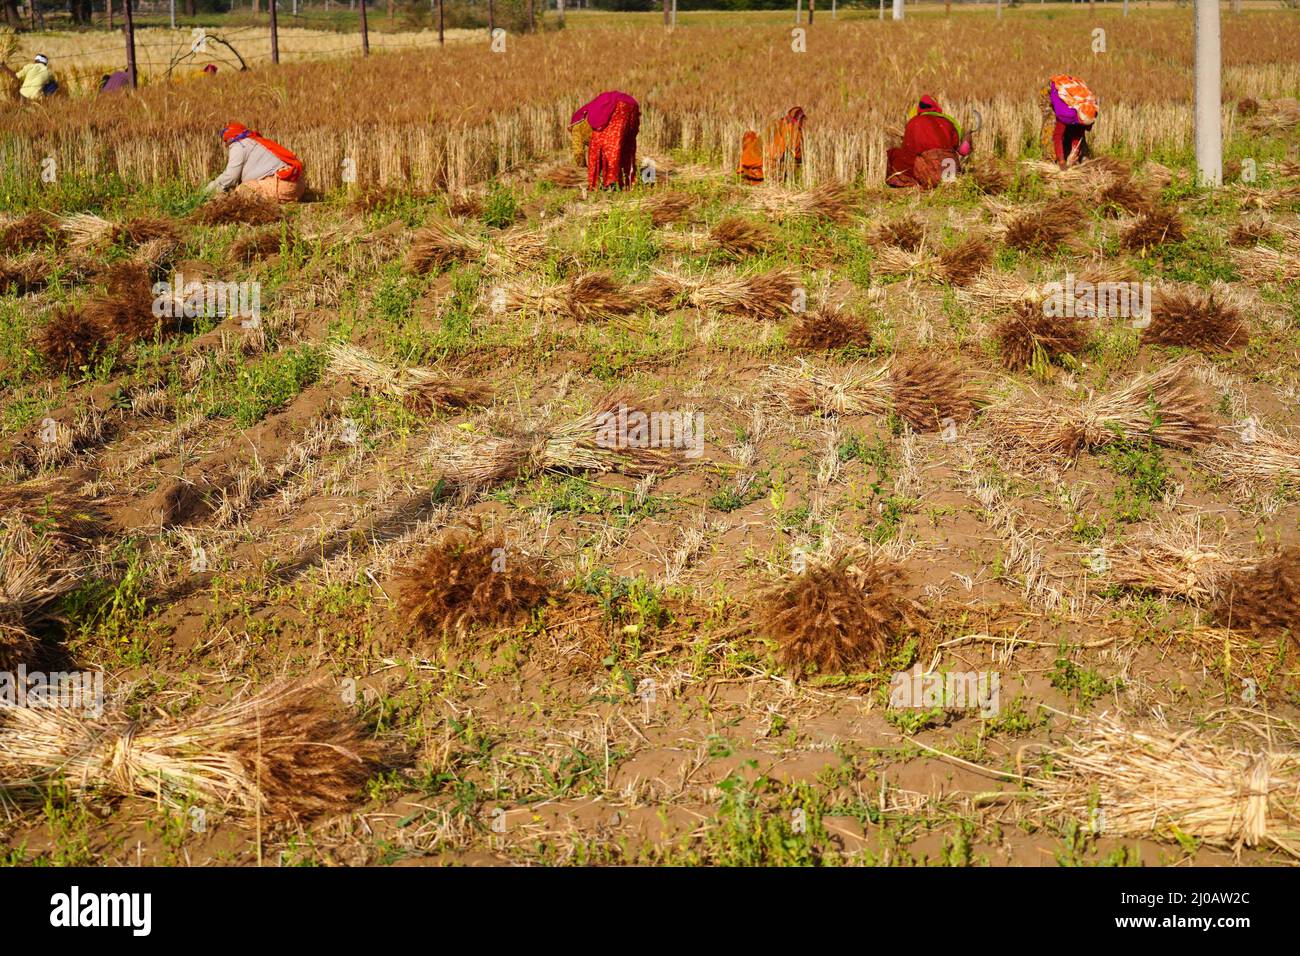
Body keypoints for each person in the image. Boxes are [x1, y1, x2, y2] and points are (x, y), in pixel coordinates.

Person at [205, 122, 306, 204]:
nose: (225, 144)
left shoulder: (239, 145)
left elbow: (231, 177)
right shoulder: (253, 141)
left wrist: (209, 189)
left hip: (280, 186)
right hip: (298, 187)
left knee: (242, 191)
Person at [886, 94, 972, 189]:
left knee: (894, 155)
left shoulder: (914, 122)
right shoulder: (949, 122)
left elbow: (909, 151)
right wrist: (968, 136)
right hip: (952, 171)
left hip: (930, 175)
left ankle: (916, 183)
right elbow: (960, 149)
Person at [569, 91, 640, 191]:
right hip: (633, 106)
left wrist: (582, 165)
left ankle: (606, 184)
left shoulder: (575, 126)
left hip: (617, 107)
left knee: (603, 149)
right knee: (625, 147)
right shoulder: (589, 109)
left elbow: (578, 152)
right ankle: (628, 183)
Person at [1040, 74, 1098, 170]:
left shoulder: (1092, 109)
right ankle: (1050, 158)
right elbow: (1057, 136)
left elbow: (1079, 132)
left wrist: (1074, 152)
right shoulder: (1065, 113)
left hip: (1072, 87)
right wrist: (1062, 162)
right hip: (1054, 88)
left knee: (1074, 129)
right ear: (1078, 117)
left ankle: (1073, 154)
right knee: (1050, 127)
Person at [738, 106, 807, 185]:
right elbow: (797, 154)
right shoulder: (793, 131)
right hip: (765, 164)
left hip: (750, 158)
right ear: (800, 119)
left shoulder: (779, 123)